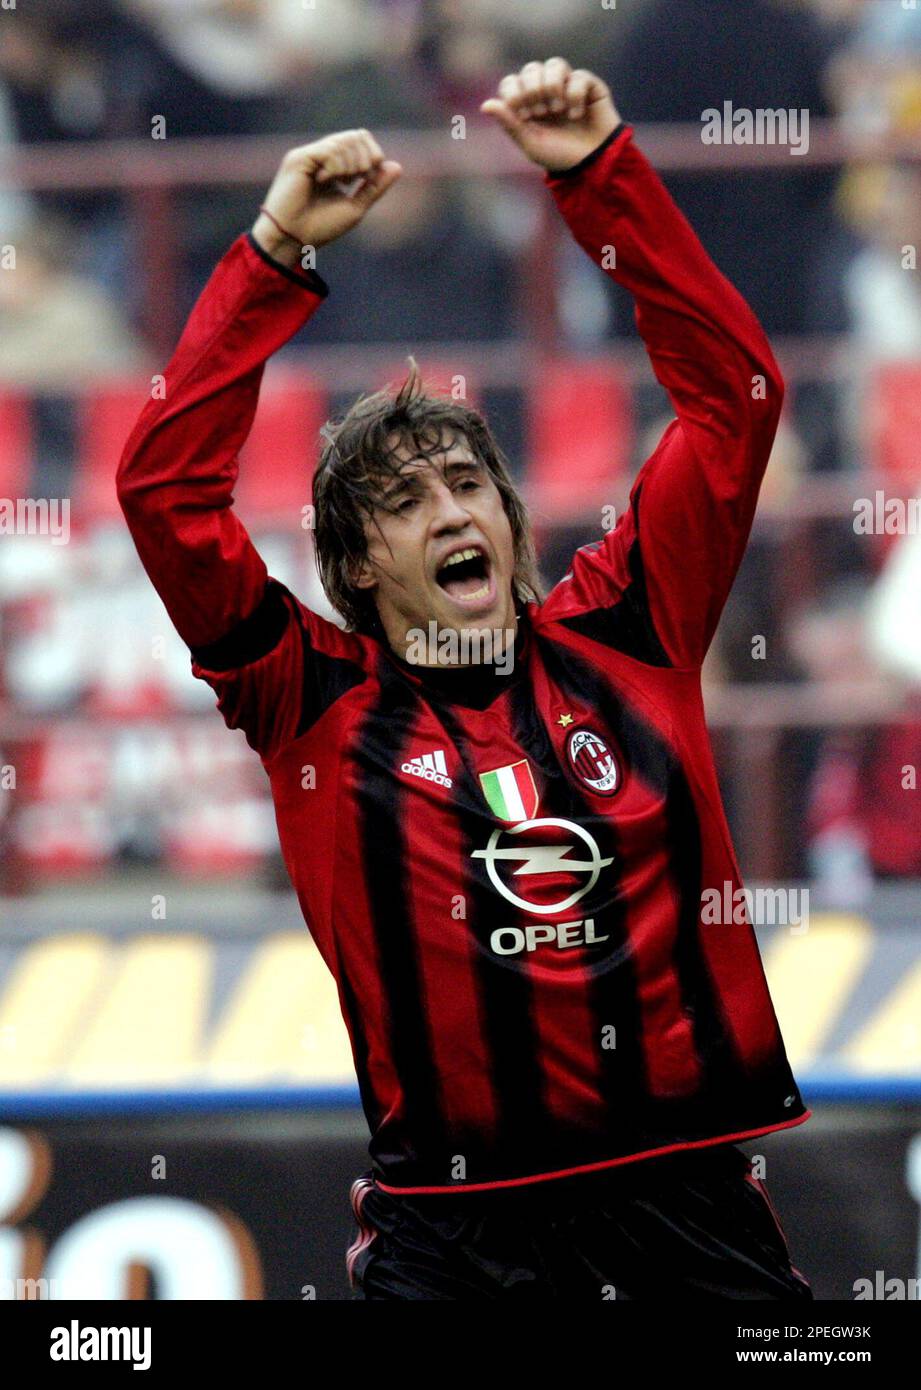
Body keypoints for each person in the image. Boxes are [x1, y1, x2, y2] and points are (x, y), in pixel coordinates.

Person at [117, 57, 812, 1301]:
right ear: (355, 565)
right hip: (457, 1243)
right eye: (401, 500)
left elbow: (737, 398)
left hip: (689, 1211)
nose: (449, 510)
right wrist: (274, 253)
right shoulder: (304, 697)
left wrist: (601, 178)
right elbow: (162, 496)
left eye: (465, 482)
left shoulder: (632, 627)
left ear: (507, 514)